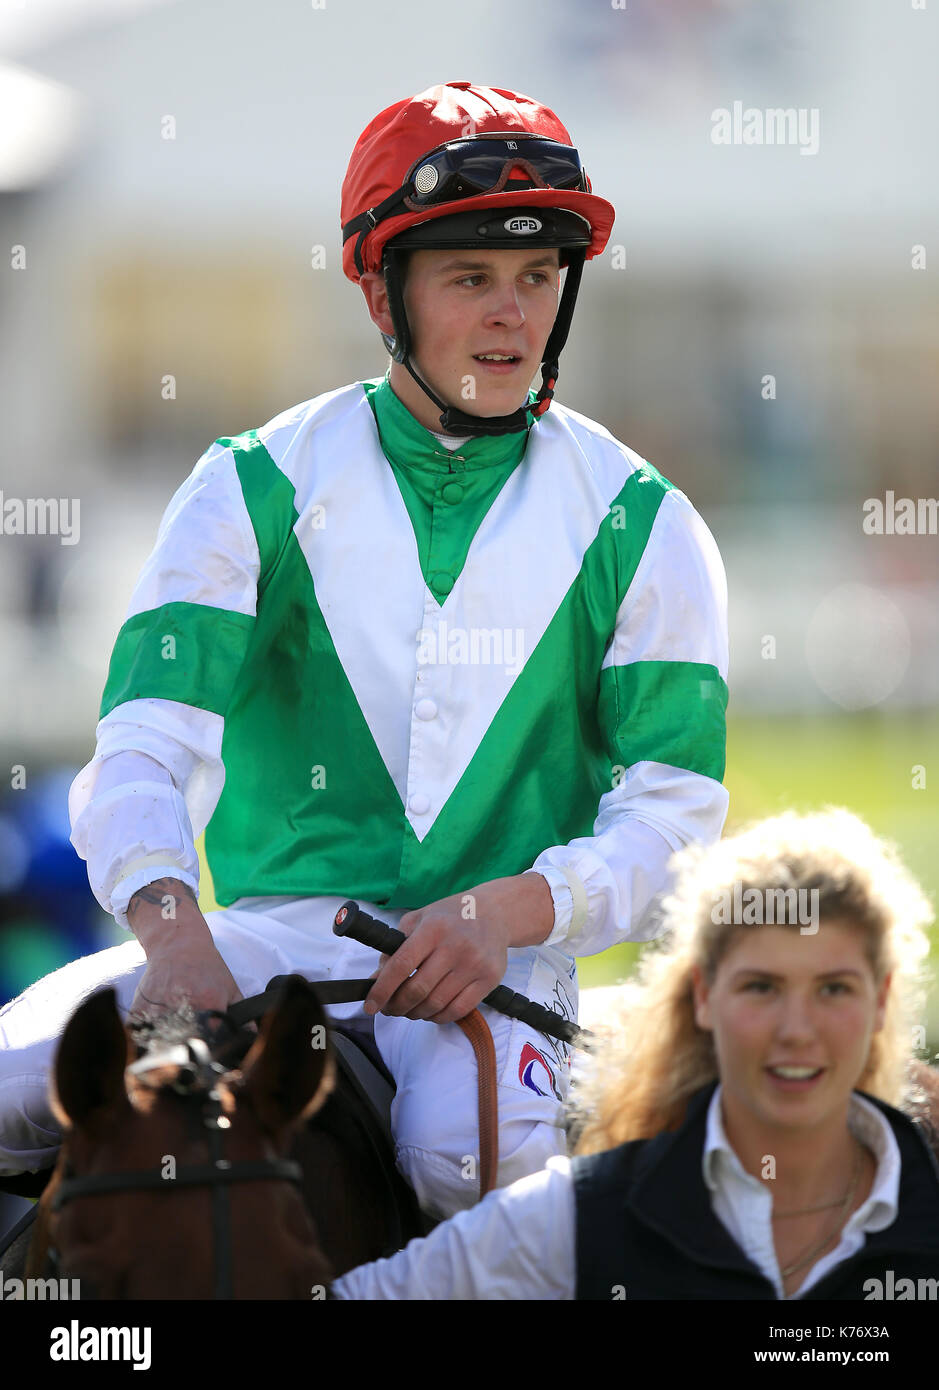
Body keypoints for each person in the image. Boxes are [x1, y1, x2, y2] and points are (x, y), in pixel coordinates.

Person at [0, 81, 729, 1221]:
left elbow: (675, 820)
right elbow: (142, 746)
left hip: (494, 964)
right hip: (260, 943)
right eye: (470, 277)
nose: (513, 316)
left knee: (468, 1160)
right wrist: (171, 928)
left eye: (539, 276)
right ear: (383, 291)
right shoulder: (247, 484)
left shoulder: (648, 521)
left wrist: (507, 915)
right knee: (6, 1087)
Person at [331, 808, 939, 1299]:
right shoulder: (571, 1220)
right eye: (761, 987)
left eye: (834, 989)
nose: (797, 1030)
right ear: (702, 996)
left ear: (882, 1001)